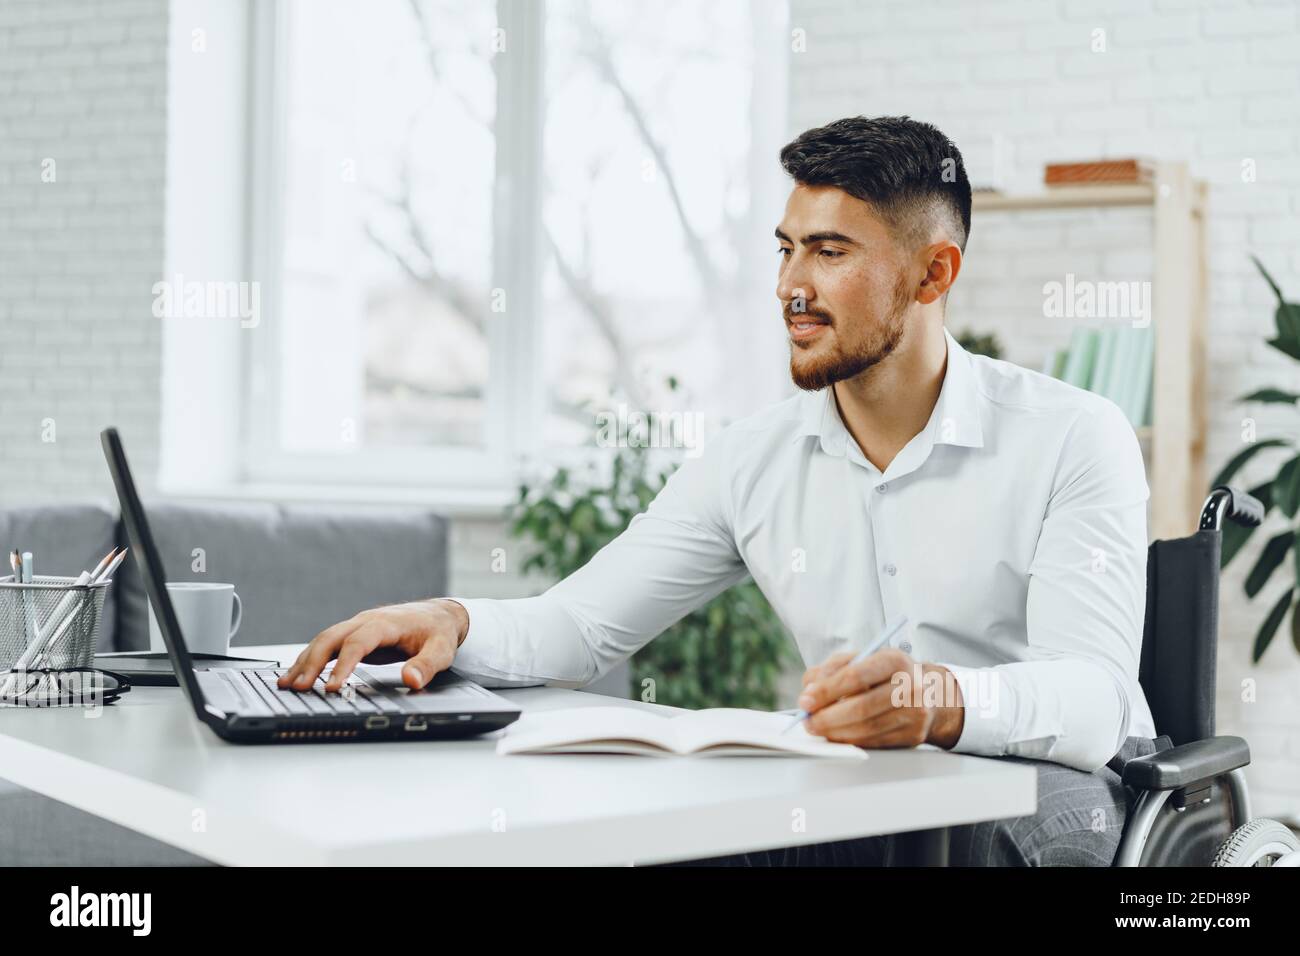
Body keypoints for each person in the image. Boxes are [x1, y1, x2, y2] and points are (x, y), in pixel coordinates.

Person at [280, 115, 1161, 866]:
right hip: (865, 784)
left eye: (830, 251)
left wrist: (939, 701)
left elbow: (1094, 699)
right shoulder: (751, 459)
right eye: (786, 250)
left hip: (1047, 784)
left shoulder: (1073, 436)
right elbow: (581, 627)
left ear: (933, 275)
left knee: (998, 836)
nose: (790, 287)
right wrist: (455, 620)